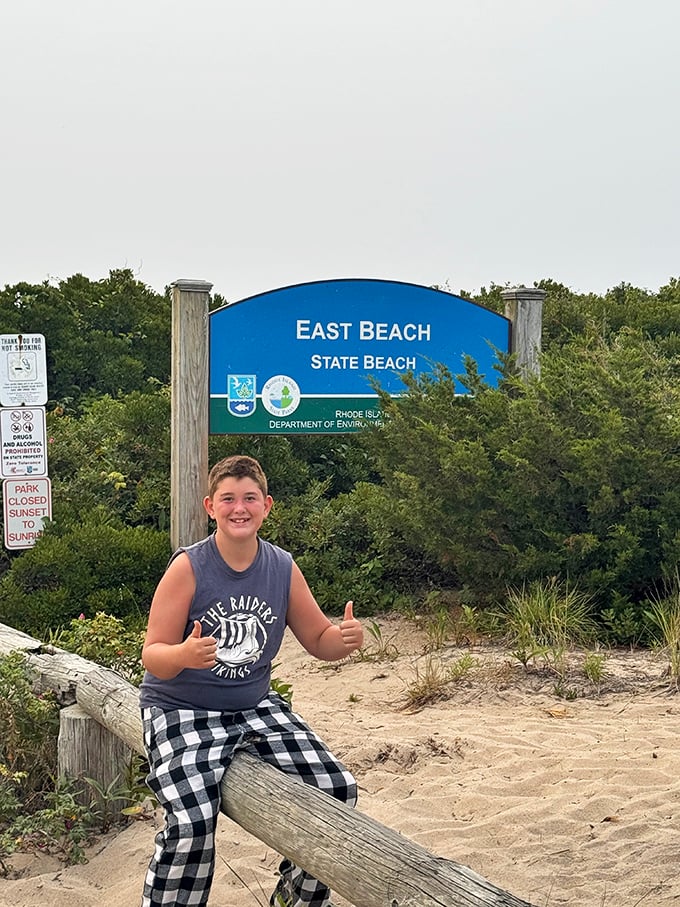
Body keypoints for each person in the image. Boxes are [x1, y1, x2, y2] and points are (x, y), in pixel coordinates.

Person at [139, 454, 364, 907]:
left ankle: (295, 900)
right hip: (180, 709)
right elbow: (153, 654)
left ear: (267, 506)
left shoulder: (281, 567)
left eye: (249, 498)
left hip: (255, 706)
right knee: (191, 822)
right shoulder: (188, 567)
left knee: (336, 790)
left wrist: (344, 639)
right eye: (228, 499)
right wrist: (183, 654)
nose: (238, 508)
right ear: (210, 507)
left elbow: (318, 639)